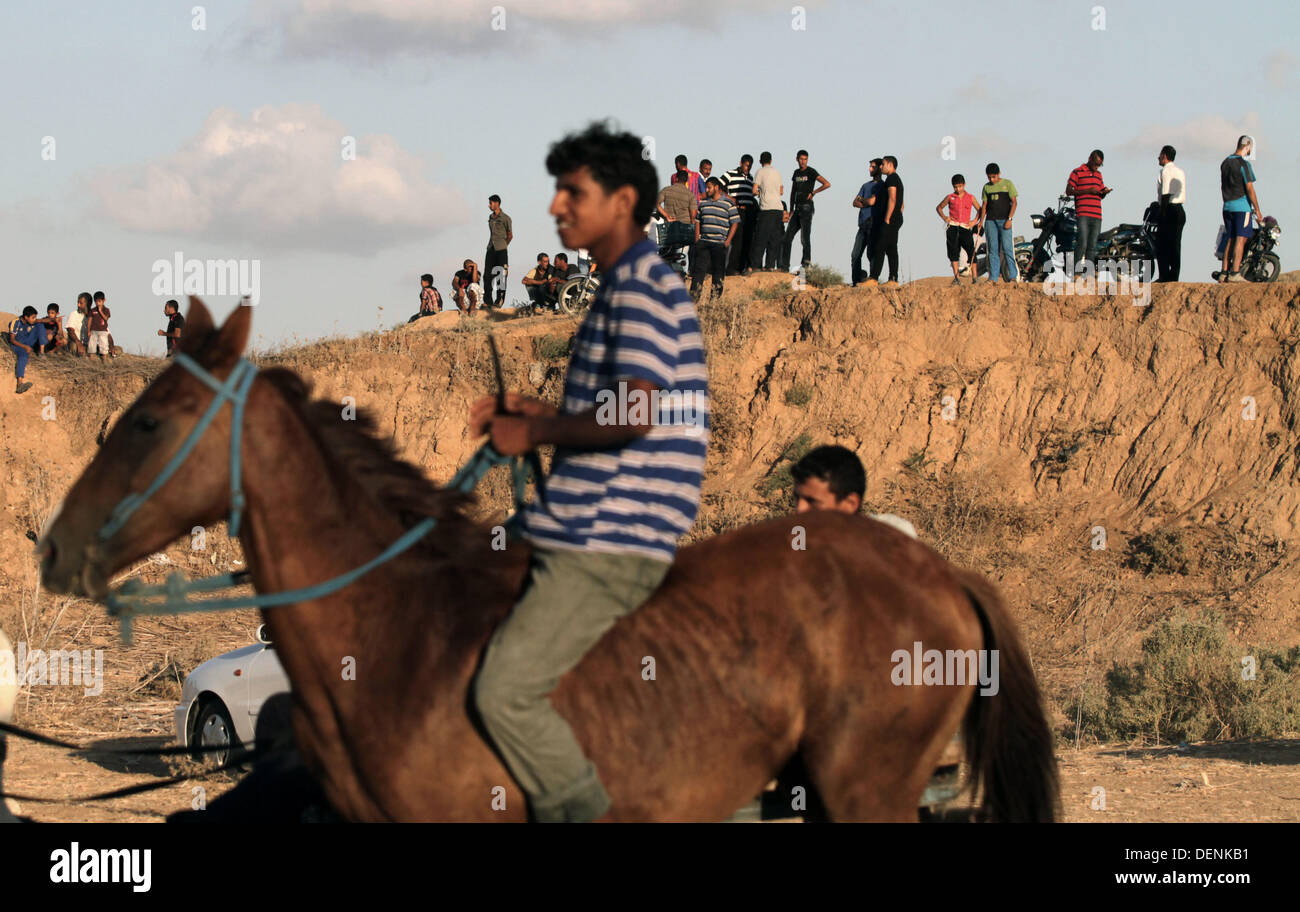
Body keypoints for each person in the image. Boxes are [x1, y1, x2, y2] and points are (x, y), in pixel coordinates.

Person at [470, 121, 709, 824]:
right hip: (581, 516)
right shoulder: (622, 287)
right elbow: (620, 407)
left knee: (502, 692)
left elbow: (635, 414)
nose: (556, 208)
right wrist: (534, 408)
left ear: (624, 200)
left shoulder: (638, 287)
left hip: (610, 532)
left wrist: (533, 431)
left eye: (573, 192)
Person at [790, 445, 918, 539]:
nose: (799, 509)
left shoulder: (893, 534)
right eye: (797, 498)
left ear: (850, 504)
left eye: (813, 501)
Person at [1218, 135, 1263, 284]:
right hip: (1241, 206)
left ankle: (1224, 272)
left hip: (1227, 206)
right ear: (1247, 146)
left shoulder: (1225, 163)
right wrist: (1257, 210)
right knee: (1240, 238)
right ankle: (1235, 272)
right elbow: (1250, 188)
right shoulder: (1243, 164)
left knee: (1230, 238)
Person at [779, 150, 830, 272]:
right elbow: (793, 191)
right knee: (787, 238)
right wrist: (791, 209)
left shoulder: (811, 171)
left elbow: (826, 183)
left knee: (804, 238)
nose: (803, 162)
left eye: (805, 159)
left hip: (807, 207)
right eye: (801, 159)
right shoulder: (796, 173)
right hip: (797, 208)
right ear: (797, 159)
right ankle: (784, 266)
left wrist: (813, 192)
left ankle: (806, 265)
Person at [690, 176, 740, 302]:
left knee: (718, 273)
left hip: (719, 244)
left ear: (717, 187)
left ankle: (714, 302)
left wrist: (728, 241)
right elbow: (697, 221)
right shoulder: (704, 203)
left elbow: (735, 222)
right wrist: (697, 239)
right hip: (704, 243)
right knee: (698, 272)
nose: (706, 190)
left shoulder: (728, 204)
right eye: (706, 187)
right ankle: (693, 299)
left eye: (709, 187)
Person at [1065, 150, 1110, 274]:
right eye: (1095, 164)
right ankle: (1077, 273)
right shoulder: (1077, 172)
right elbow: (1069, 191)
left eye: (1099, 165)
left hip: (1096, 214)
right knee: (1082, 242)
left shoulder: (1099, 175)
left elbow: (1100, 194)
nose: (1097, 167)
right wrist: (1088, 191)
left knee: (1092, 245)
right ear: (1090, 158)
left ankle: (1089, 274)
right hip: (1083, 213)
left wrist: (1104, 192)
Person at [865, 156, 904, 286]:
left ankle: (874, 278)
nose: (881, 167)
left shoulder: (892, 178)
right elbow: (901, 203)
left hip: (891, 219)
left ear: (890, 164)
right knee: (891, 248)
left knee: (880, 247)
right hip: (895, 218)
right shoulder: (895, 179)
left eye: (883, 164)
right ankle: (893, 279)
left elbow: (893, 199)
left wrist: (887, 217)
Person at [937, 174, 981, 286]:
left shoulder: (970, 197)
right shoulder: (950, 197)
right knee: (953, 252)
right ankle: (956, 278)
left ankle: (975, 277)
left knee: (971, 251)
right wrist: (945, 218)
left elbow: (980, 209)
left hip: (965, 227)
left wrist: (974, 221)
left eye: (960, 186)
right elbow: (939, 207)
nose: (958, 189)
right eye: (956, 187)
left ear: (964, 185)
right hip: (953, 226)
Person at [978, 163, 1018, 283]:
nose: (991, 179)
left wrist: (1009, 219)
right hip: (990, 221)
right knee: (992, 250)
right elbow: (984, 205)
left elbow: (1014, 202)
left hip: (1005, 221)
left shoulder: (1008, 184)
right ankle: (993, 277)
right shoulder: (986, 187)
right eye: (989, 177)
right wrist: (981, 221)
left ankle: (1013, 276)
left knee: (1007, 248)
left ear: (999, 174)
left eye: (994, 177)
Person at [749, 151, 785, 273]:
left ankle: (755, 265)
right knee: (774, 239)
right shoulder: (777, 172)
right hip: (778, 208)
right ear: (771, 160)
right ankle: (770, 265)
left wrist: (761, 193)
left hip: (766, 208)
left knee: (761, 238)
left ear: (760, 161)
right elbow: (781, 191)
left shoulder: (760, 172)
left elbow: (754, 190)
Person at [1155, 145, 1186, 283]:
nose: (1158, 158)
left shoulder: (1165, 171)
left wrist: (1162, 212)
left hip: (1169, 209)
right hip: (1179, 210)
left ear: (1165, 156)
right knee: (1175, 244)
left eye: (1160, 155)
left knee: (1162, 244)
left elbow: (1165, 193)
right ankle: (1174, 276)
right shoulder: (1180, 171)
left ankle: (1164, 276)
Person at [655, 171, 698, 268]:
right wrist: (692, 228)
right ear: (687, 181)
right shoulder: (690, 195)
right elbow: (693, 215)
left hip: (669, 229)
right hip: (685, 230)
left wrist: (666, 215)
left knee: (667, 255)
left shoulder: (667, 190)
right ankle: (683, 275)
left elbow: (656, 203)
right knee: (683, 255)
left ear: (676, 179)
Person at [850, 159, 882, 286]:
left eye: (872, 167)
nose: (870, 169)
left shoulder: (881, 186)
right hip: (862, 224)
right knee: (855, 254)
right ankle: (856, 281)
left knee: (871, 254)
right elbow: (854, 202)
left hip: (873, 223)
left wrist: (863, 200)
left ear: (879, 168)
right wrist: (866, 201)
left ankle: (872, 280)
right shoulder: (865, 185)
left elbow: (871, 202)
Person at [723, 155, 756, 275]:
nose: (748, 168)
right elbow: (718, 187)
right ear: (741, 163)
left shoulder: (750, 178)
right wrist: (729, 197)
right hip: (735, 210)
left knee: (746, 240)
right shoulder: (730, 174)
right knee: (737, 239)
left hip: (748, 211)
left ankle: (740, 267)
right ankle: (731, 268)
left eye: (750, 166)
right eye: (746, 165)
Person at [8, 306, 47, 395]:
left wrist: (55, 319)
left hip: (27, 340)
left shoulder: (32, 322)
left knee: (40, 325)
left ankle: (42, 352)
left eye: (35, 317)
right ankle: (19, 383)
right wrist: (25, 347)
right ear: (26, 317)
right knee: (23, 355)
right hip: (17, 344)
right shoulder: (15, 323)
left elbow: (42, 321)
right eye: (33, 317)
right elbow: (12, 340)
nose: (34, 319)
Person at [485, 195, 513, 308]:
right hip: (490, 249)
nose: (489, 205)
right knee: (488, 275)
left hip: (501, 250)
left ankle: (499, 301)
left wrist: (503, 246)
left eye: (491, 203)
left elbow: (510, 235)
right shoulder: (491, 217)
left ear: (497, 203)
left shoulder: (506, 218)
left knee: (501, 274)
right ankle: (488, 301)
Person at [86, 291, 112, 360]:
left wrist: (100, 311)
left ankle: (104, 360)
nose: (98, 303)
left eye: (99, 301)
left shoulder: (106, 310)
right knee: (91, 346)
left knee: (104, 346)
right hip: (93, 330)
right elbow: (89, 321)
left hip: (103, 331)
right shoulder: (93, 310)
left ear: (104, 300)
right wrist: (88, 330)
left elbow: (106, 318)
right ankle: (91, 359)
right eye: (96, 302)